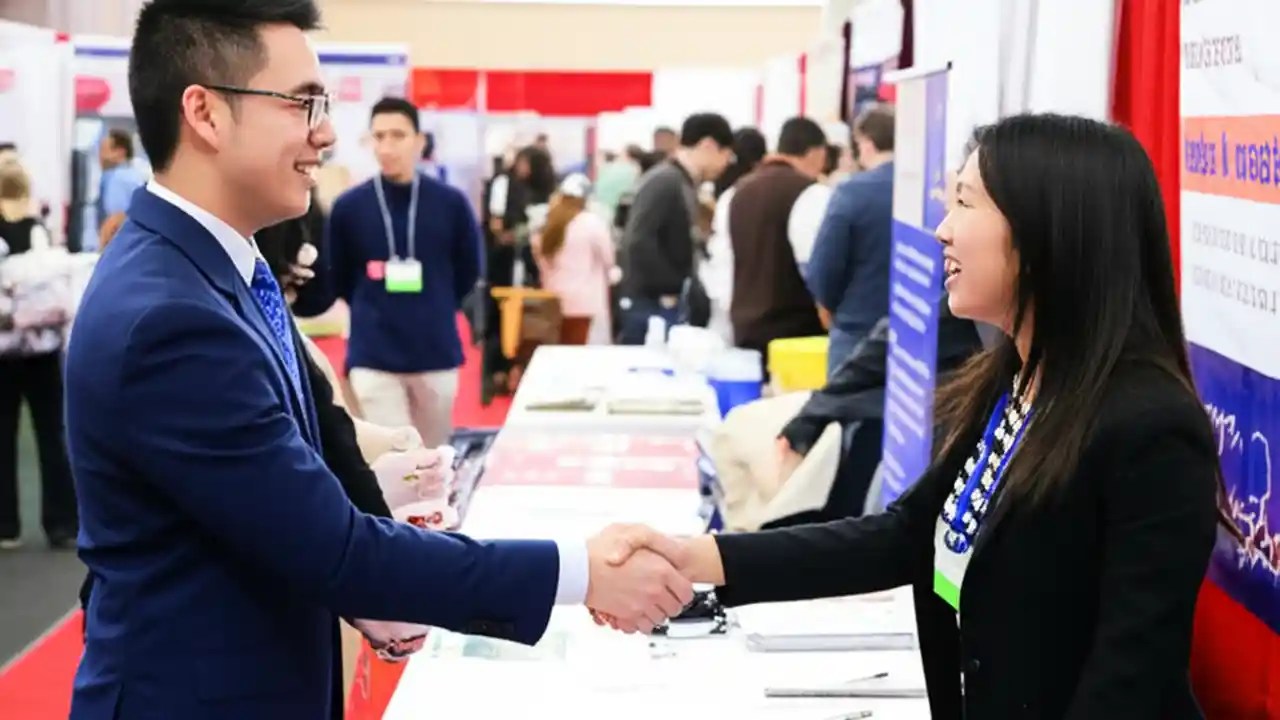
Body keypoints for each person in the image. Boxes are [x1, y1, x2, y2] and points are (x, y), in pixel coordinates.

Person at [65, 3, 691, 718]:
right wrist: (580, 571)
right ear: (205, 114)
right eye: (303, 104)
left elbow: (282, 491)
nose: (327, 132)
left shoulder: (219, 268)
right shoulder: (169, 315)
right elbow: (341, 555)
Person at [604, 114, 1231, 720]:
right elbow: (906, 537)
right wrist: (696, 557)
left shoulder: (1152, 427)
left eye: (966, 203)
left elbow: (1127, 683)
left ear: (1046, 230)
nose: (943, 230)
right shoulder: (1012, 380)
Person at [308, 97, 479, 448]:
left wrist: (436, 302)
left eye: (397, 135)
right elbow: (336, 275)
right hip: (374, 355)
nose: (386, 146)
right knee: (395, 458)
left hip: (435, 352)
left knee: (433, 458)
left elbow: (469, 271)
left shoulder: (450, 204)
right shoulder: (349, 207)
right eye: (379, 136)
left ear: (419, 140)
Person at [0, 161, 77, 550]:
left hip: (3, 350)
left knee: (2, 436)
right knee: (52, 434)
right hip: (42, 348)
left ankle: (5, 525)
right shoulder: (38, 230)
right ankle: (61, 522)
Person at [617, 113, 734, 344]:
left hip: (659, 302)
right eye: (726, 155)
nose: (726, 165)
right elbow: (638, 241)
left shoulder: (679, 180)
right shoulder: (666, 181)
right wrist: (672, 287)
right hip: (652, 304)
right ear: (708, 146)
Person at [722, 116, 833, 360]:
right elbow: (819, 271)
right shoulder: (812, 194)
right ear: (816, 153)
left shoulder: (735, 192)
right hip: (797, 340)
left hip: (743, 331)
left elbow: (722, 263)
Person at [807, 104, 896, 373]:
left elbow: (824, 268)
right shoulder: (929, 191)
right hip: (917, 340)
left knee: (847, 411)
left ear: (865, 143)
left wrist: (831, 307)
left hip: (857, 332)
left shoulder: (851, 192)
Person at [532, 173, 616, 345]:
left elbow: (541, 260)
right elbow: (609, 258)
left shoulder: (548, 224)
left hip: (553, 302)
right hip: (585, 305)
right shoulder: (592, 222)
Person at [95, 128, 145, 251]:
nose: (101, 157)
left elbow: (114, 222)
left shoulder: (118, 178)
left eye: (105, 150)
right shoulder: (135, 175)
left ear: (121, 152)